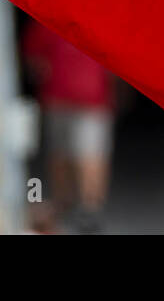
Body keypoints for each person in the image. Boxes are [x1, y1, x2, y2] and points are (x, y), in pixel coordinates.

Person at [22, 18, 114, 233]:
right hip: (67, 99)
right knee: (65, 155)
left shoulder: (101, 22)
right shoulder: (49, 20)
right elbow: (33, 56)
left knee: (88, 157)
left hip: (88, 101)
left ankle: (88, 208)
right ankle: (73, 205)